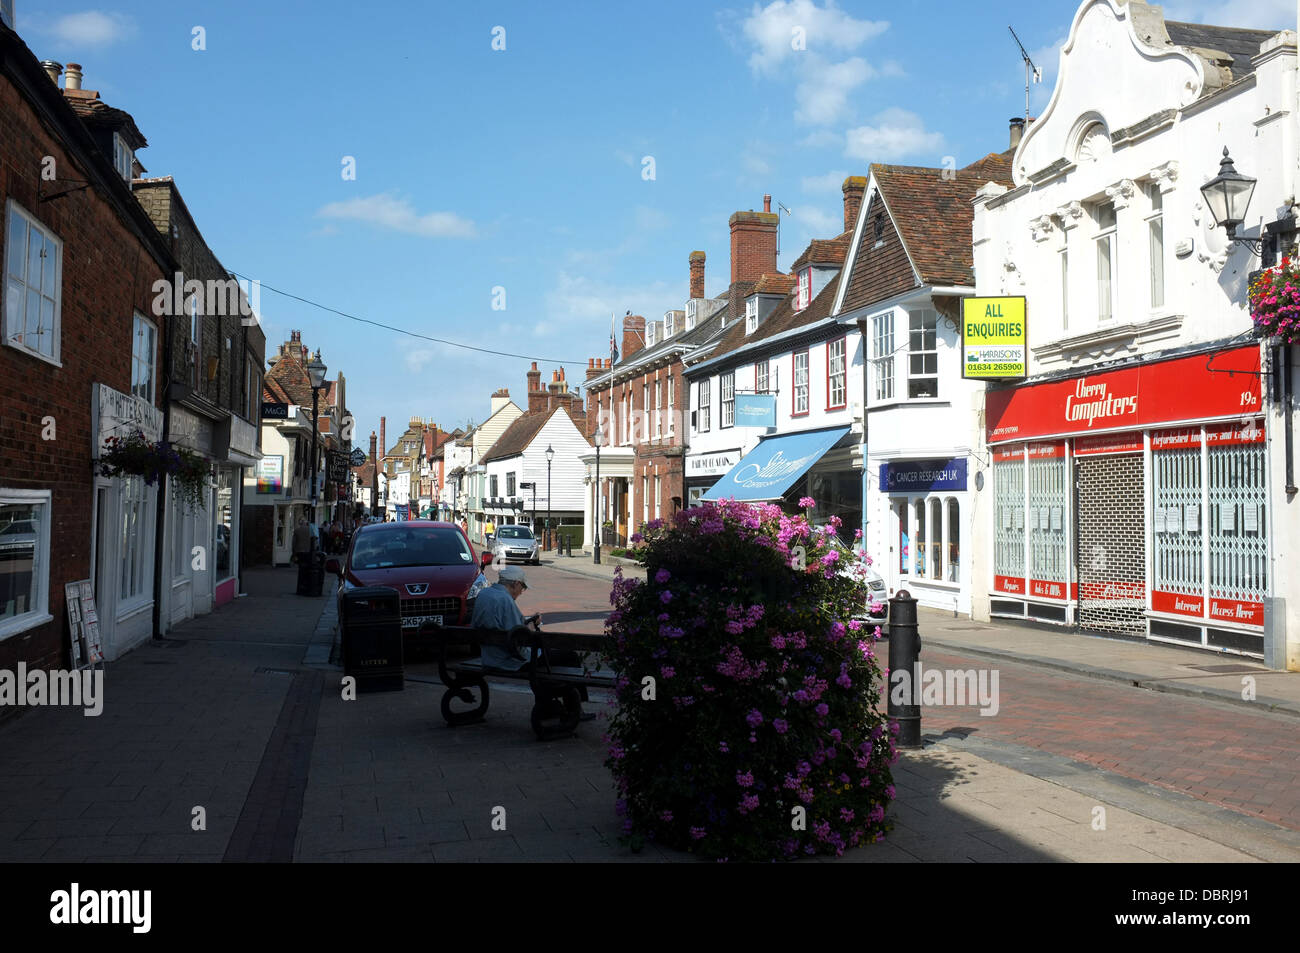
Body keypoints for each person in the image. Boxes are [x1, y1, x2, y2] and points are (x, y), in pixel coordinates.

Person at [470, 566, 593, 720]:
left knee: (553, 657)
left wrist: (526, 624)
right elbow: (520, 640)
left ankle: (550, 703)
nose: (522, 591)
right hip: (508, 660)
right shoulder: (505, 600)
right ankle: (574, 707)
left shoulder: (485, 594)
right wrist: (530, 627)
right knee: (570, 657)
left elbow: (504, 627)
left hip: (489, 656)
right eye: (522, 587)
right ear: (515, 583)